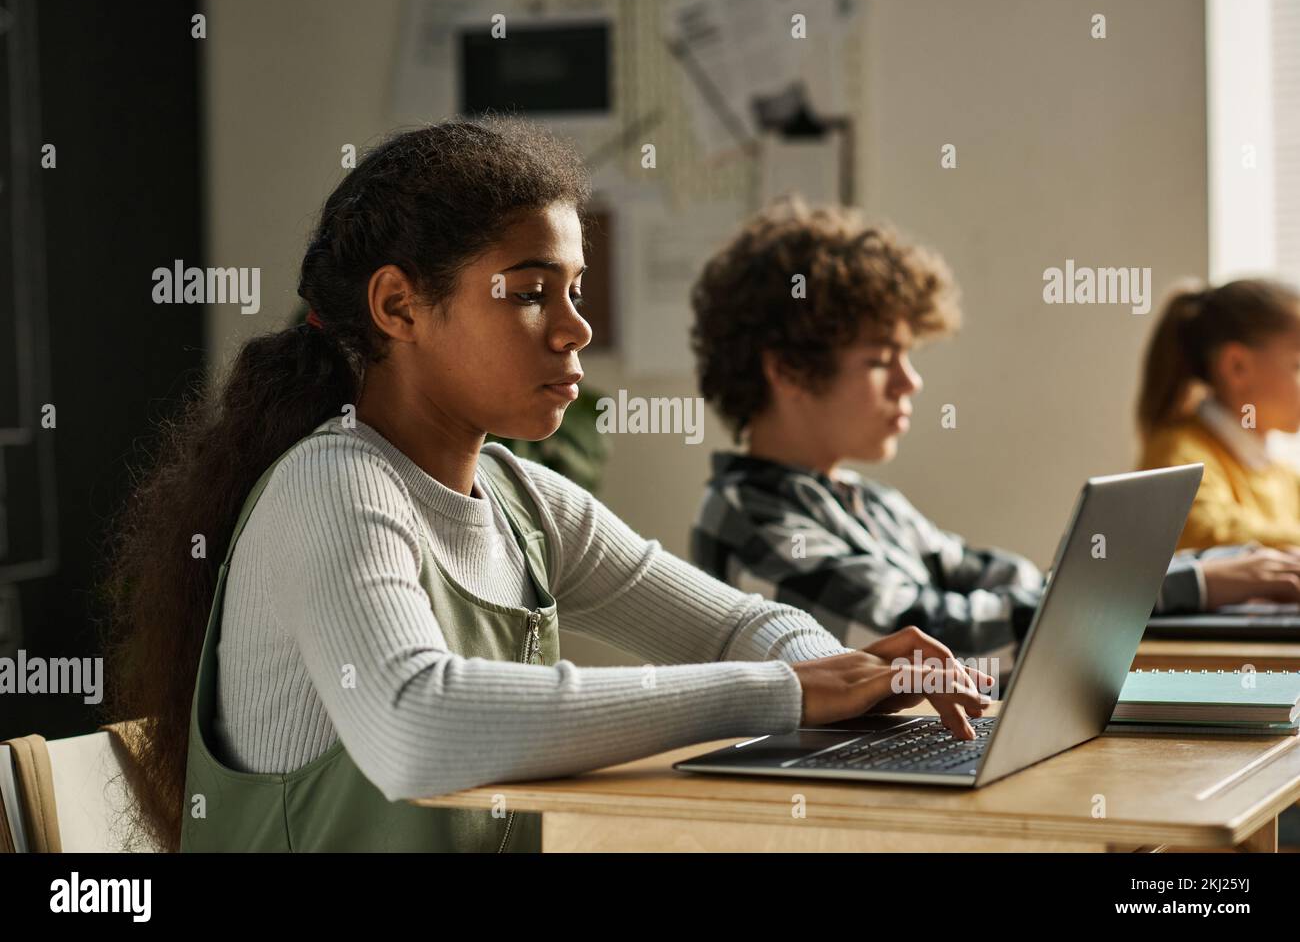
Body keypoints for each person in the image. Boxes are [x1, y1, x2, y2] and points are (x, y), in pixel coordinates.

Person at [101, 121, 991, 854]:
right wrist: (788, 690)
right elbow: (422, 727)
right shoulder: (334, 489)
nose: (576, 328)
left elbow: (736, 623)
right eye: (530, 293)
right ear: (398, 307)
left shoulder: (522, 499)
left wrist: (839, 670)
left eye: (574, 289)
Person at [688, 198, 1300, 662]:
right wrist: (1181, 584)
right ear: (788, 369)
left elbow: (1017, 583)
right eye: (880, 361)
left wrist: (1217, 570)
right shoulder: (750, 518)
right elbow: (933, 640)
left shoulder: (871, 505)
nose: (911, 382)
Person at [1138, 278, 1300, 549]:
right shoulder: (1179, 458)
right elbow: (1213, 536)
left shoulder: (1282, 476)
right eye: (1297, 366)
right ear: (1237, 367)